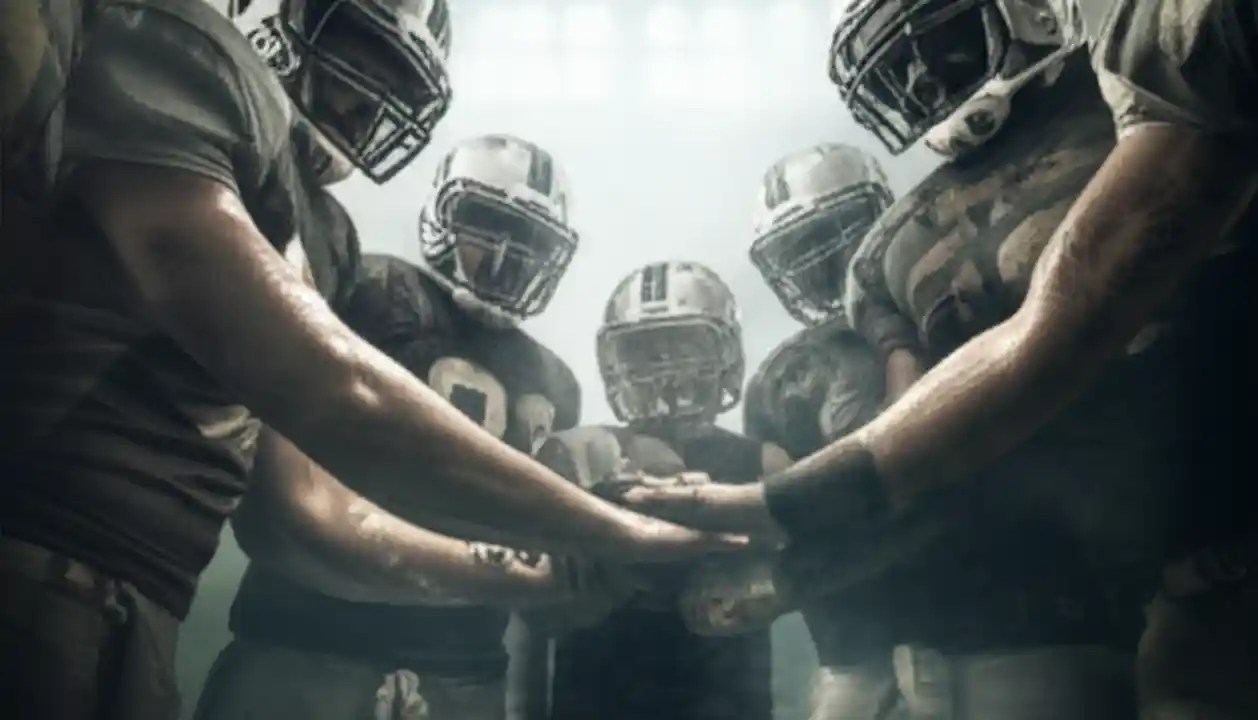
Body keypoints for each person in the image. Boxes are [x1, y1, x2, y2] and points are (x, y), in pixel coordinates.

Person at [0, 1, 728, 717]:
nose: (366, 99)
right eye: (356, 50)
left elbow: (311, 509)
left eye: (396, 83)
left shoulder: (320, 228)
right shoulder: (183, 55)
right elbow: (337, 396)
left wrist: (539, 572)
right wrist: (604, 532)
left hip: (138, 597)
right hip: (47, 567)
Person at [630, 0, 1258, 717]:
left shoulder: (1159, 81)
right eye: (896, 69)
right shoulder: (885, 257)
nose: (916, 83)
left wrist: (786, 545)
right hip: (1159, 594)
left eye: (935, 46)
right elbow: (936, 445)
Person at [196, 134, 635, 720]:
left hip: (460, 663)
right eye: (484, 222)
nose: (505, 252)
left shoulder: (554, 381)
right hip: (310, 640)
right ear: (444, 214)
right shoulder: (374, 289)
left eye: (528, 238)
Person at [514, 261, 787, 720]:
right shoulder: (574, 456)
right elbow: (530, 614)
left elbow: (819, 569)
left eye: (681, 344)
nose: (663, 367)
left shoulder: (764, 464)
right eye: (643, 349)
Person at [742, 143, 895, 719]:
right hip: (851, 635)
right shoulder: (774, 382)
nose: (826, 258)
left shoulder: (931, 309)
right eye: (803, 247)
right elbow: (783, 521)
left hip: (983, 609)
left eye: (837, 232)